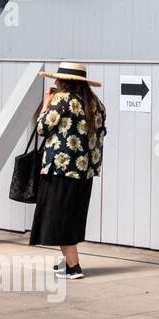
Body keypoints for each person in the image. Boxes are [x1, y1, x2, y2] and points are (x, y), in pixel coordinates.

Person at [30, 62, 106, 280]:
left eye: (58, 79)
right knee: (70, 216)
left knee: (59, 218)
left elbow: (42, 128)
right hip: (85, 172)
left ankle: (74, 267)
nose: (55, 82)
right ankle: (67, 263)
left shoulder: (62, 101)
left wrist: (46, 104)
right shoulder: (96, 104)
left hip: (60, 170)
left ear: (65, 81)